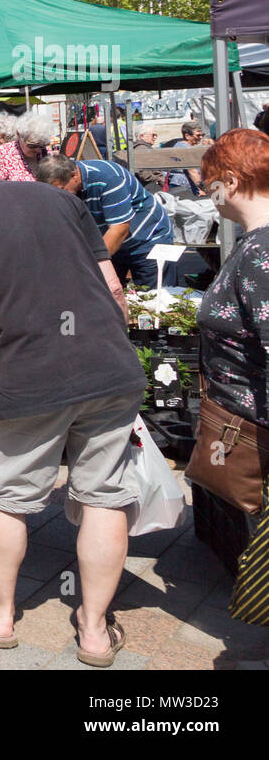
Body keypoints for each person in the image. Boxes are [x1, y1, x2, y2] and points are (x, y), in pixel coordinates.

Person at [0, 145, 145, 667]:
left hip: (25, 378)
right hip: (108, 367)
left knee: (8, 495)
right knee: (105, 495)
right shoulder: (58, 199)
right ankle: (92, 629)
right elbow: (113, 289)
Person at [195, 130, 269, 624]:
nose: (206, 195)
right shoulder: (254, 247)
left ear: (232, 181)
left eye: (208, 185)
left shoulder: (261, 255)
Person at [36, 154, 175, 288]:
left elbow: (119, 229)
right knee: (108, 297)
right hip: (111, 243)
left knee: (154, 300)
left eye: (61, 190)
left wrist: (89, 266)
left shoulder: (109, 178)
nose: (58, 196)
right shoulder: (66, 185)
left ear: (74, 176)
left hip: (147, 239)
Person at [0, 111, 53, 182]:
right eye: (32, 146)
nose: (38, 150)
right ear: (19, 135)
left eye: (42, 145)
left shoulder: (47, 153)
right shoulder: (3, 154)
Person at [113, 125, 165, 193]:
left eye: (156, 135)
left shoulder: (140, 148)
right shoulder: (143, 150)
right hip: (149, 188)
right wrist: (159, 179)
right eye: (153, 135)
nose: (155, 137)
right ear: (142, 136)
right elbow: (145, 175)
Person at [166, 122, 206, 196]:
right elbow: (192, 171)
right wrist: (202, 188)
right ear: (187, 136)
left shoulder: (181, 146)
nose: (201, 137)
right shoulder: (184, 148)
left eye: (202, 135)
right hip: (184, 187)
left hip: (183, 186)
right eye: (198, 135)